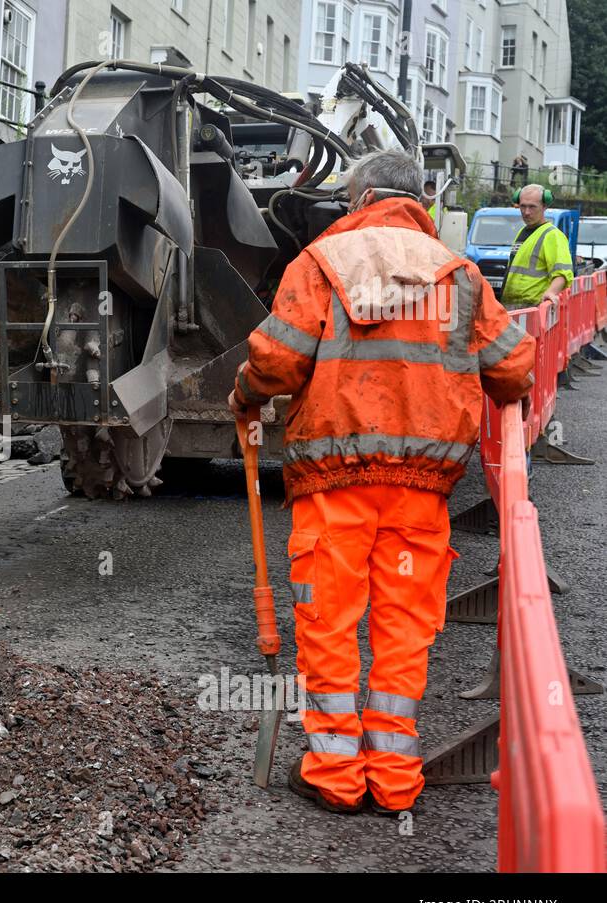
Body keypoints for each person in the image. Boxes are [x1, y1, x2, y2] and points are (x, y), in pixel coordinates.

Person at [227, 150, 535, 815]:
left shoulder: (321, 263)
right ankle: (394, 780)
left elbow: (276, 361)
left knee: (329, 622)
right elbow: (513, 369)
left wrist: (245, 392)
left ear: (359, 197)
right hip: (423, 490)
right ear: (417, 198)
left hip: (333, 483)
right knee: (405, 628)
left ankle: (336, 776)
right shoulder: (460, 276)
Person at [499, 184, 573, 309]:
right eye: (523, 206)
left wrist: (551, 292)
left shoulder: (552, 235)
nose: (526, 212)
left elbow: (562, 274)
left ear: (544, 206)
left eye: (532, 207)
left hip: (533, 310)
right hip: (513, 308)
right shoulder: (523, 232)